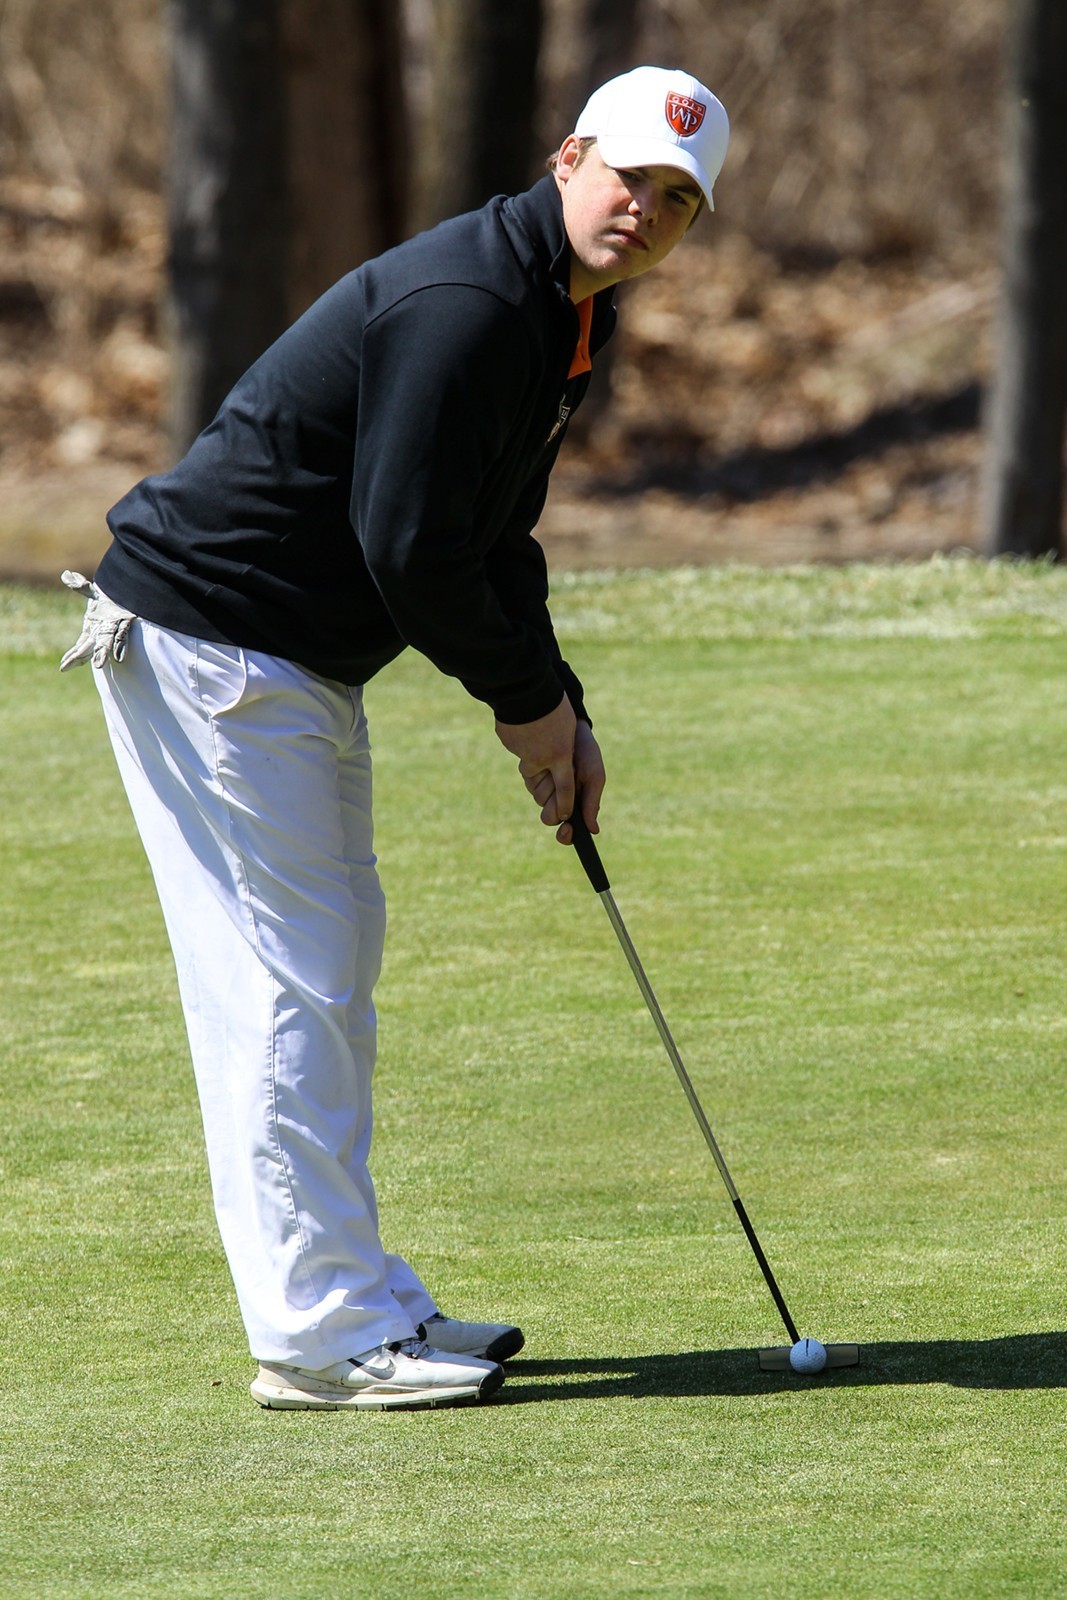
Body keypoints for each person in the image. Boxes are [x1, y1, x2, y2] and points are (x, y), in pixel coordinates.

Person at [60, 66, 729, 1412]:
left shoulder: (554, 317)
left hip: (269, 655)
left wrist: (558, 708)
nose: (643, 212)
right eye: (628, 179)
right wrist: (523, 708)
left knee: (325, 965)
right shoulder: (474, 305)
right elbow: (411, 548)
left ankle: (356, 1297)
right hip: (214, 643)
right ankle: (320, 1335)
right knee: (290, 982)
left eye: (678, 200)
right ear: (566, 158)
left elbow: (492, 536)